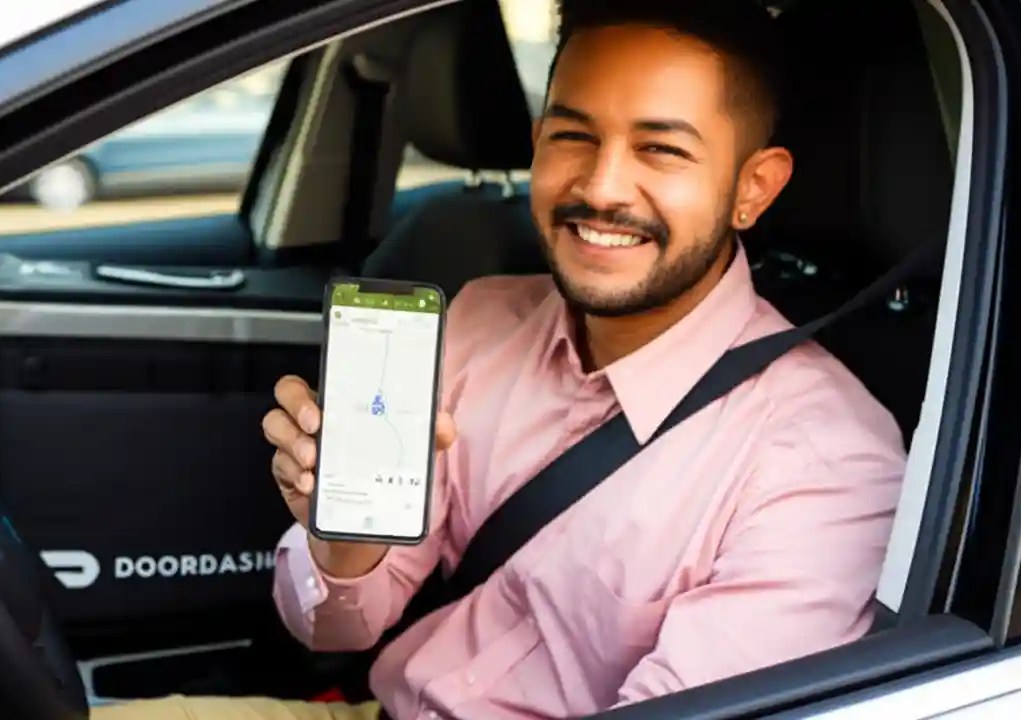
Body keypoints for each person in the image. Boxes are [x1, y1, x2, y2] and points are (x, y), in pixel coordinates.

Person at [95, 0, 905, 717]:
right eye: (573, 136)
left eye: (661, 151)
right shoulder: (482, 317)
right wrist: (341, 543)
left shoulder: (825, 459)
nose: (602, 187)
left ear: (752, 188)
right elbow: (336, 627)